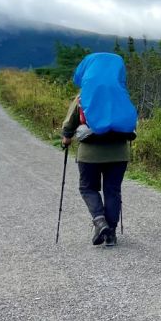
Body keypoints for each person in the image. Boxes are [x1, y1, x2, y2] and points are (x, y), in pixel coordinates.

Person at [60, 55, 134, 249]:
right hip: (118, 153)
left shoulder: (84, 96)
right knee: (112, 190)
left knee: (88, 188)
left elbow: (69, 124)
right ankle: (111, 233)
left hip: (89, 154)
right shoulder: (121, 95)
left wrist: (66, 138)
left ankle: (100, 222)